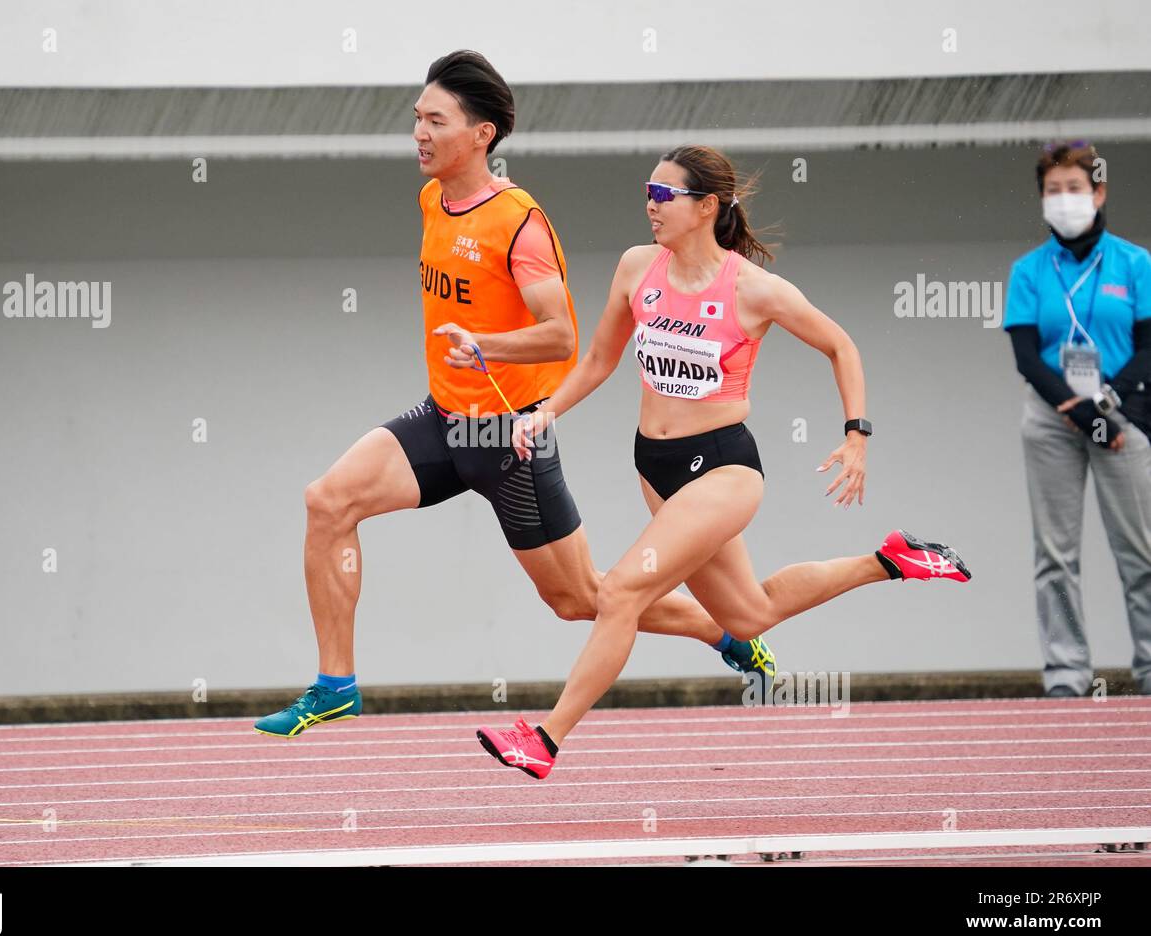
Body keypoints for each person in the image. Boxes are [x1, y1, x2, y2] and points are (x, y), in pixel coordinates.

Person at [254, 54, 775, 739]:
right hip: (445, 422)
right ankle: (335, 686)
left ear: (482, 134)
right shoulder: (431, 198)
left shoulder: (520, 224)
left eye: (435, 120)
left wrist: (485, 345)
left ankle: (723, 632)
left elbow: (562, 337)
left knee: (580, 598)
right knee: (328, 502)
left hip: (508, 439)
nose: (419, 132)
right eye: (417, 118)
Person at [477, 145, 971, 778]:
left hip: (723, 469)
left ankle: (544, 739)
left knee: (621, 591)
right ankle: (890, 560)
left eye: (662, 196)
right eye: (646, 193)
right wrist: (546, 412)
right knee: (748, 614)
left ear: (705, 206)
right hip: (654, 464)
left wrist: (857, 435)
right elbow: (599, 360)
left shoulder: (753, 289)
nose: (649, 206)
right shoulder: (636, 268)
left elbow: (840, 345)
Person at [1002, 140, 1151, 698]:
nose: (1064, 199)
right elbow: (1025, 354)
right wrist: (1077, 408)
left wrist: (1107, 409)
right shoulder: (1029, 270)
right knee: (1055, 555)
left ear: (1099, 191)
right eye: (1053, 190)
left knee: (1140, 550)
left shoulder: (1135, 263)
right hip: (1051, 419)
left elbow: (1147, 347)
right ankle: (1066, 674)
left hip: (1123, 418)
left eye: (1074, 188)